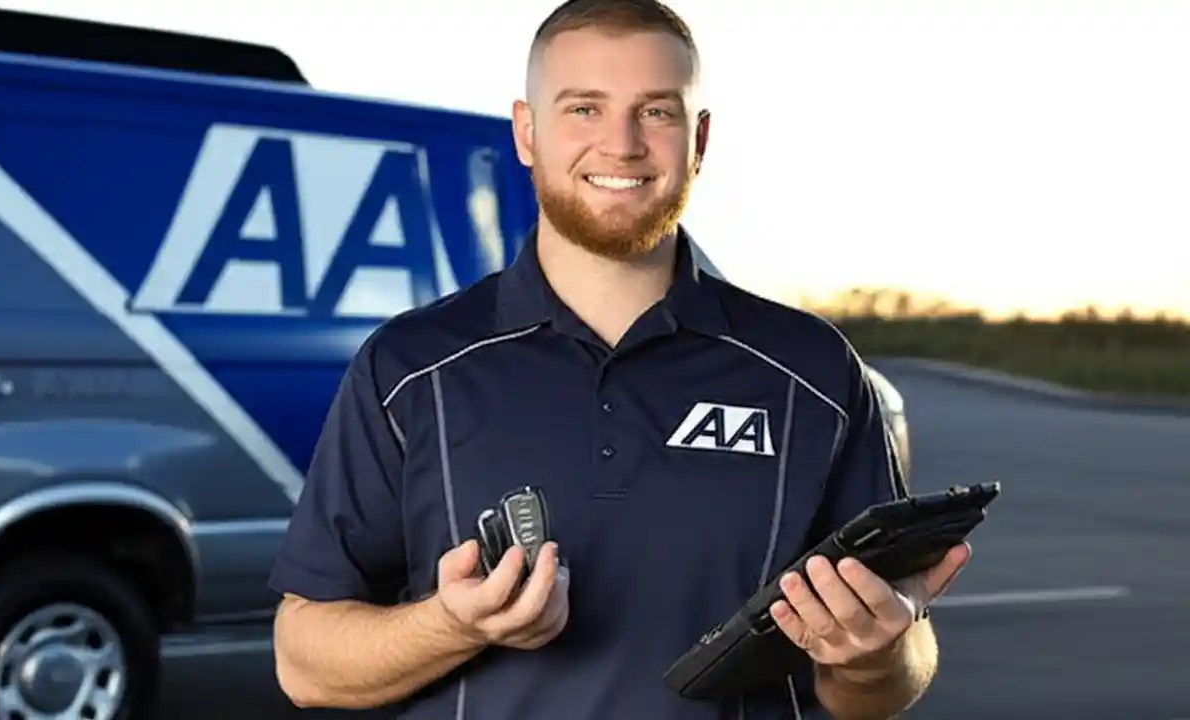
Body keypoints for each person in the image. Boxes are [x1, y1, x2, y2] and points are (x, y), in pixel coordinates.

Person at [268, 0, 972, 718]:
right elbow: (304, 663)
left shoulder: (812, 371)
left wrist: (875, 656)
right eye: (583, 109)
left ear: (698, 140)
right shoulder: (411, 367)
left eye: (657, 113)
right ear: (526, 132)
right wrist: (450, 625)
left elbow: (893, 673)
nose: (622, 144)